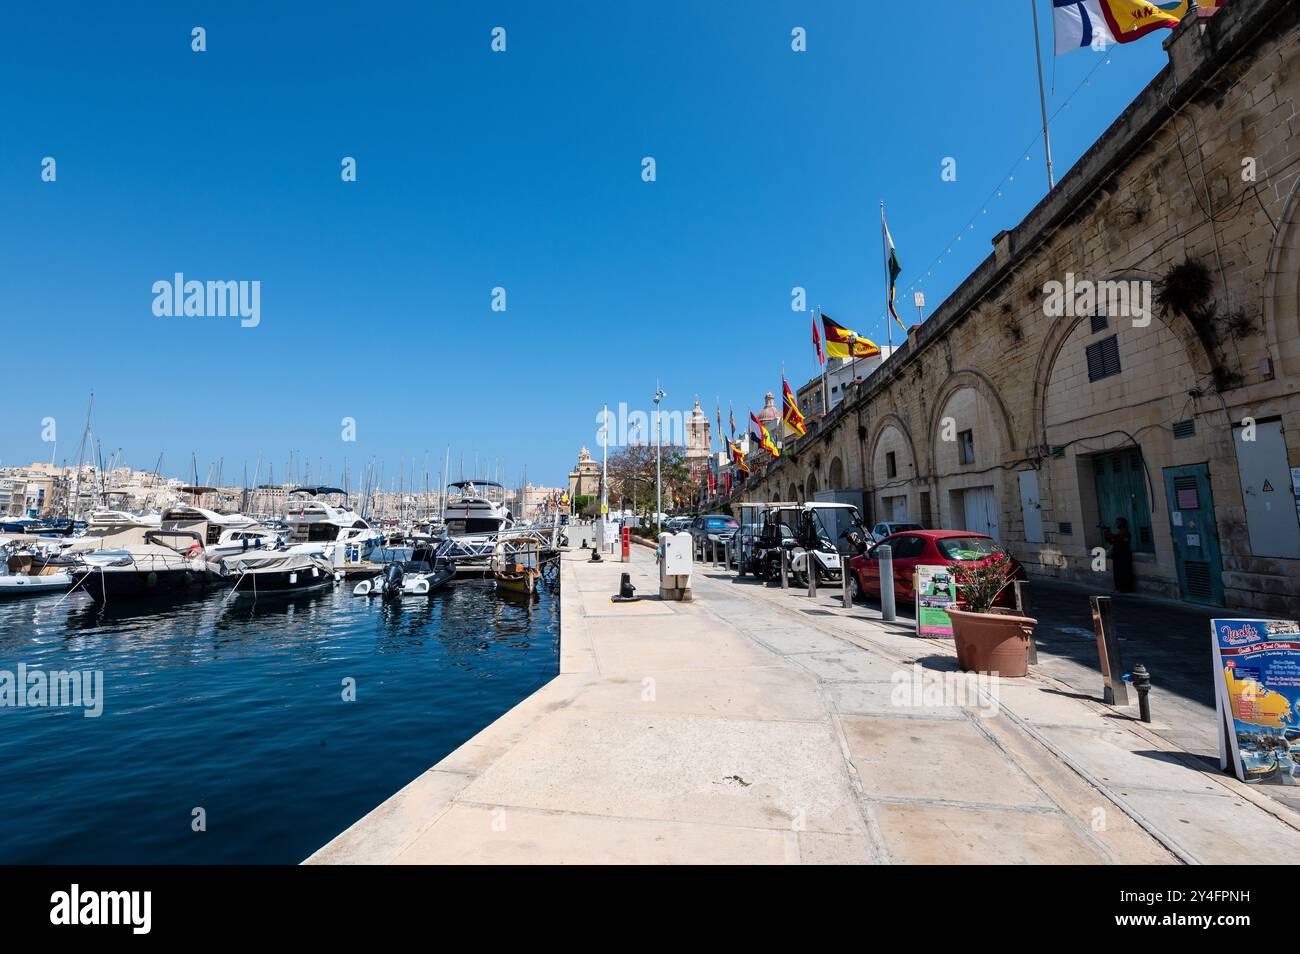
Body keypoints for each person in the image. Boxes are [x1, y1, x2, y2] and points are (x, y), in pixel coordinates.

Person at [1102, 516, 1135, 593]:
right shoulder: (1120, 533)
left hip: (1123, 555)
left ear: (1122, 524)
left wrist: (1107, 531)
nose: (1116, 524)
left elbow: (1118, 539)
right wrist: (1106, 531)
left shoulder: (1125, 533)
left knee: (1123, 572)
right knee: (1118, 572)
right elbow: (1111, 540)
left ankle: (1124, 588)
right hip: (1118, 555)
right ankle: (1119, 587)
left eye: (1118, 522)